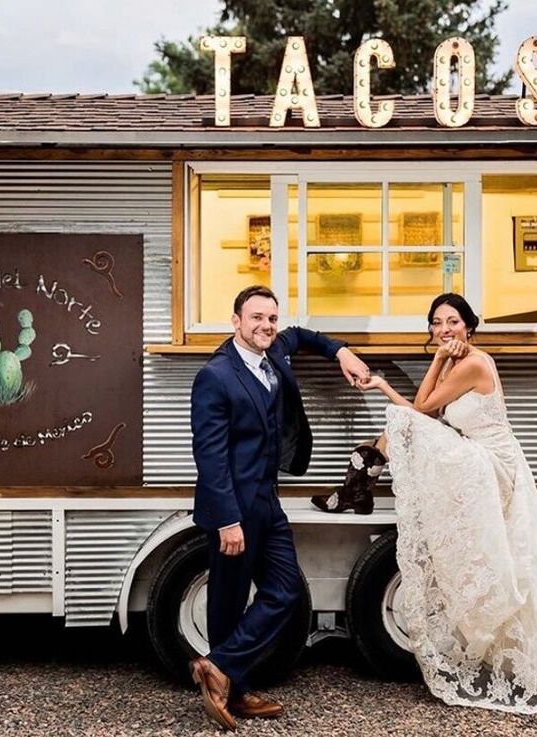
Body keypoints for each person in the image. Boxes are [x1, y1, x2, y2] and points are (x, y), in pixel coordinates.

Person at [313, 292, 537, 714]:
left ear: (469, 327)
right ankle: (364, 474)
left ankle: (361, 475)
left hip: (493, 464)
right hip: (477, 455)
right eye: (436, 323)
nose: (443, 330)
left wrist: (434, 362)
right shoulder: (457, 362)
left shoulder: (473, 362)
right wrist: (386, 383)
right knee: (404, 423)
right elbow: (423, 415)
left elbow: (420, 409)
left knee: (405, 423)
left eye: (452, 322)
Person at [189, 284, 370, 731]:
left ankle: (220, 667)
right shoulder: (216, 375)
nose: (266, 325)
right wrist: (229, 520)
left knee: (286, 591)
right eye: (256, 318)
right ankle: (237, 687)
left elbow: (303, 336)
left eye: (271, 318)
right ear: (236, 322)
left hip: (268, 501)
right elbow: (209, 458)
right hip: (234, 508)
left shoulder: (276, 349)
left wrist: (341, 351)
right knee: (228, 603)